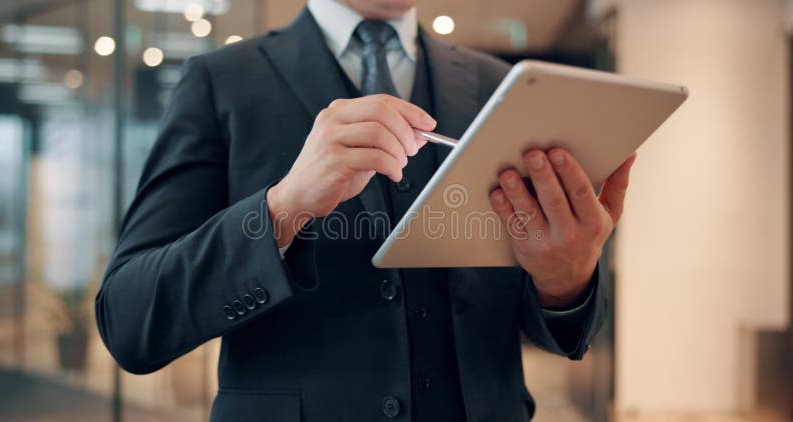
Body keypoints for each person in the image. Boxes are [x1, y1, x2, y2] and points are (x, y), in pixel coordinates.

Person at [95, 0, 635, 420]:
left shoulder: (503, 87)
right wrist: (284, 208)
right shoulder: (221, 81)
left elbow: (552, 319)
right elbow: (130, 319)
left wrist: (566, 280)